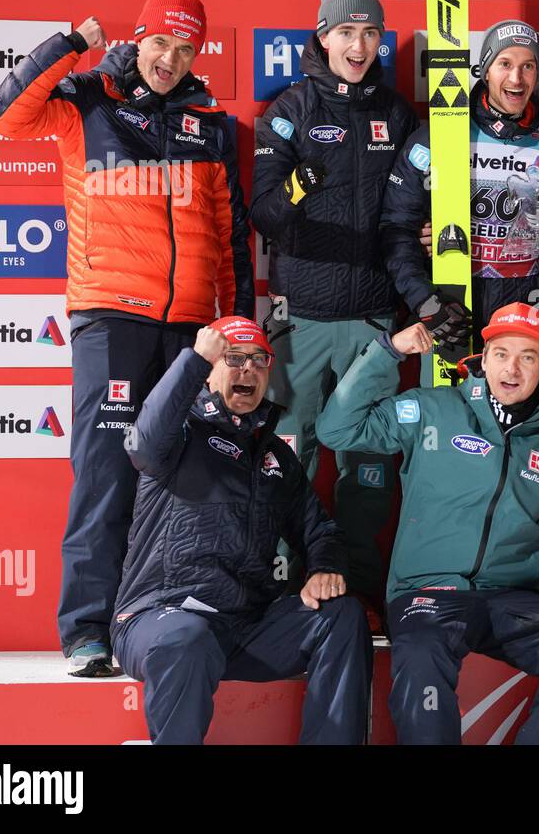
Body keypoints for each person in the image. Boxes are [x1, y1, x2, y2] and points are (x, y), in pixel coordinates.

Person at [0, 0, 254, 676]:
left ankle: (154, 620)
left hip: (190, 326)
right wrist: (69, 44)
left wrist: (240, 321)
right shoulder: (88, 99)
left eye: (185, 47)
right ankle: (84, 629)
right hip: (109, 315)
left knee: (174, 479)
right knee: (106, 473)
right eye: (160, 43)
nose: (170, 58)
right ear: (138, 40)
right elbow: (4, 117)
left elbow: (231, 235)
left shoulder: (209, 122)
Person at [316, 303, 539, 744]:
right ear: (483, 359)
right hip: (429, 591)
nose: (513, 368)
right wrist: (389, 351)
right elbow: (337, 429)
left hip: (512, 598)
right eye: (502, 353)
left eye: (528, 357)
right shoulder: (432, 408)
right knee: (421, 655)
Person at [112, 317, 368, 744]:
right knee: (186, 636)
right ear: (211, 368)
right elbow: (143, 442)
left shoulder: (274, 457)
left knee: (342, 616)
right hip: (159, 617)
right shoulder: (180, 436)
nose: (248, 369)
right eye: (234, 358)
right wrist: (193, 359)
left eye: (259, 361)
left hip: (244, 626)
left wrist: (324, 567)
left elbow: (319, 529)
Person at [250, 0, 418, 604]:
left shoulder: (397, 114)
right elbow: (265, 213)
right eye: (347, 31)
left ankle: (358, 586)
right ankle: (288, 582)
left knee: (367, 464)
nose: (359, 44)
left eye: (370, 32)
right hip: (305, 319)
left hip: (374, 316)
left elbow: (411, 205)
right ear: (322, 37)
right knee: (291, 452)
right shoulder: (291, 111)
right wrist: (301, 186)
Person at [382, 19, 539, 334]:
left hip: (522, 314)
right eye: (504, 63)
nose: (516, 78)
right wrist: (424, 301)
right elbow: (396, 227)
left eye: (528, 66)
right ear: (485, 70)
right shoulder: (439, 135)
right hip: (450, 306)